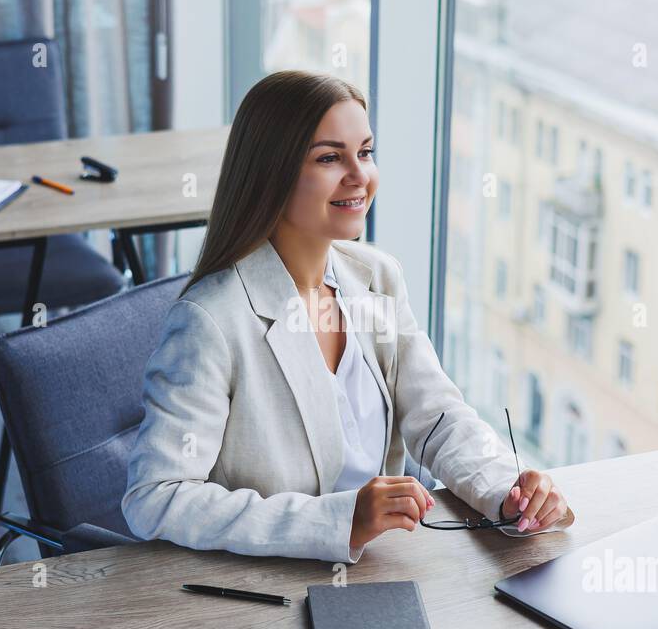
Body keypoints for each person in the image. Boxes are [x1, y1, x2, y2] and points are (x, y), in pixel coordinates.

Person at [121, 70, 574, 563]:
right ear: (271, 172)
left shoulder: (376, 277)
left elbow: (438, 418)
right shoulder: (211, 321)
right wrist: (340, 522)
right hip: (265, 588)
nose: (360, 176)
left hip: (382, 567)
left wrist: (508, 488)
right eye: (330, 157)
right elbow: (156, 496)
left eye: (366, 152)